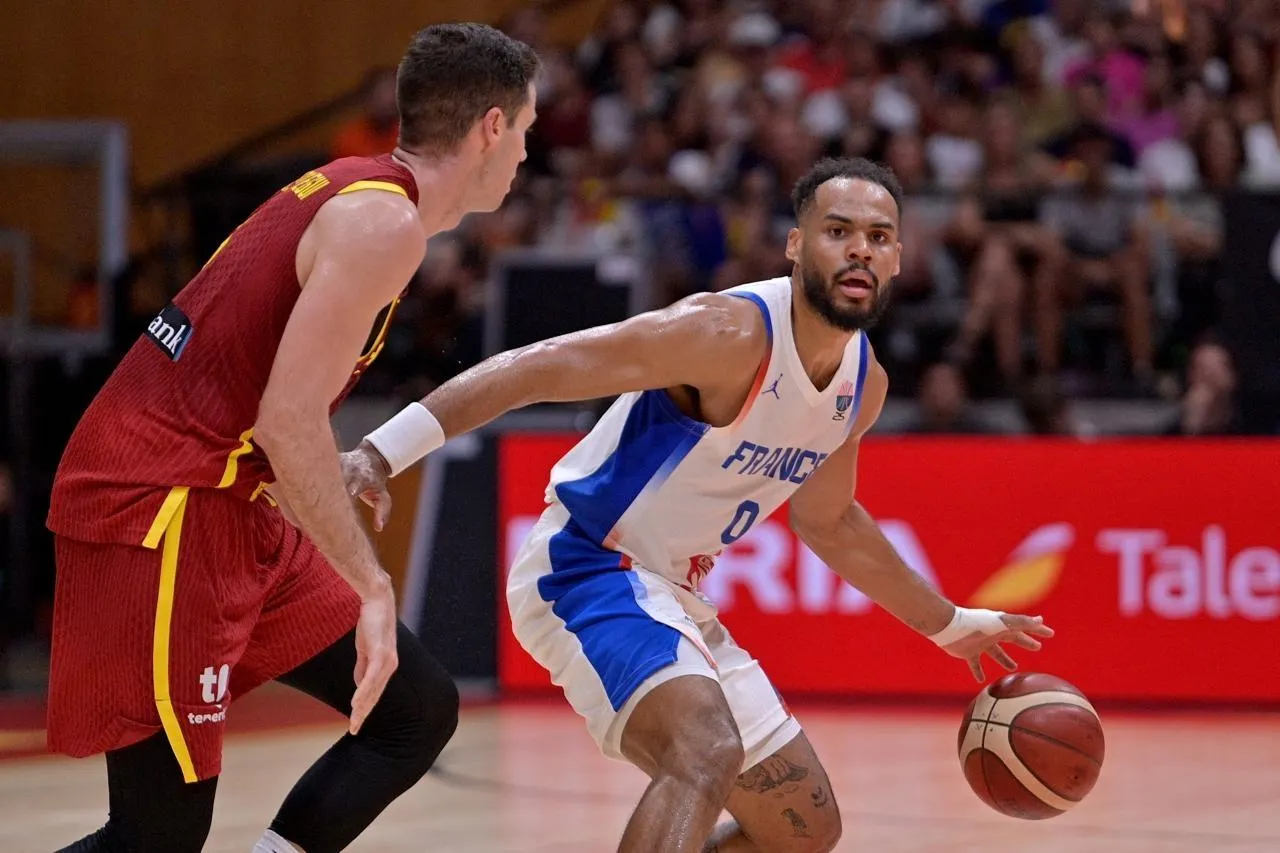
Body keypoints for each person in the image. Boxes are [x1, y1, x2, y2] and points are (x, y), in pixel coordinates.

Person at [342, 156, 1055, 853]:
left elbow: (830, 519)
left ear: (899, 256)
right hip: (587, 567)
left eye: (878, 235)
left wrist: (949, 622)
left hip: (675, 594)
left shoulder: (862, 386)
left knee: (801, 828)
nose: (859, 249)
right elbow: (544, 365)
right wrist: (381, 451)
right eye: (838, 231)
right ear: (797, 245)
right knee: (705, 748)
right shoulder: (726, 333)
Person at [44, 23, 539, 853]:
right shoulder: (384, 227)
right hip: (163, 501)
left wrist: (328, 467)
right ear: (491, 127)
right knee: (154, 837)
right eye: (523, 130)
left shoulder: (355, 189)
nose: (525, 154)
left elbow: (267, 401)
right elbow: (285, 418)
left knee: (414, 709)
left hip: (232, 494)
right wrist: (374, 586)